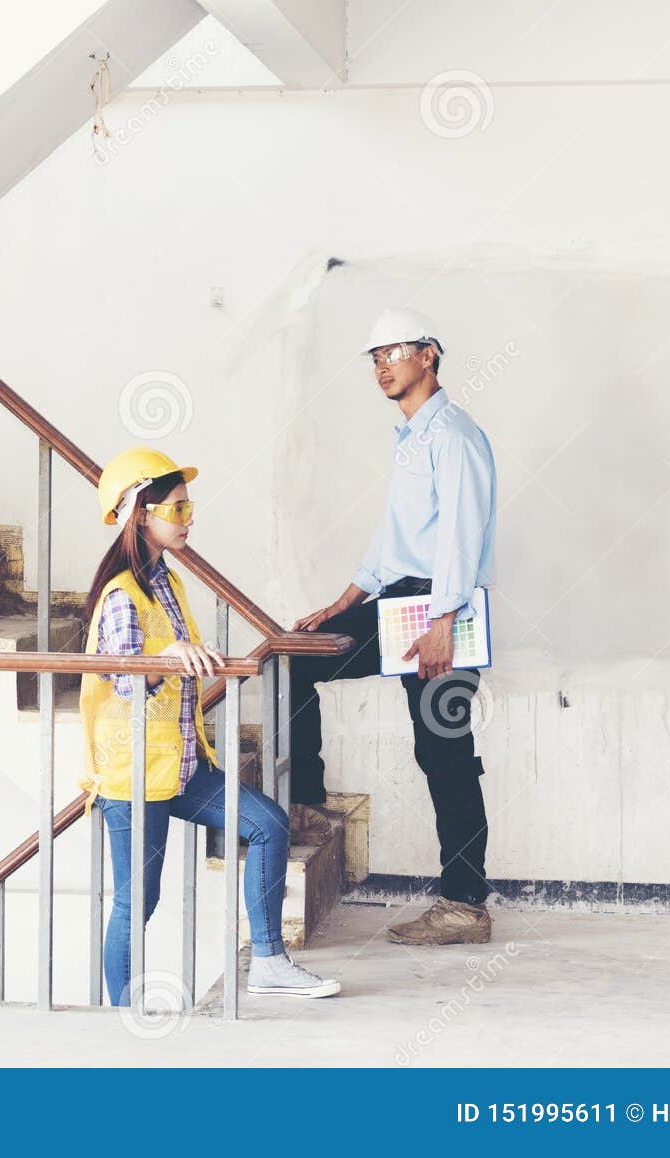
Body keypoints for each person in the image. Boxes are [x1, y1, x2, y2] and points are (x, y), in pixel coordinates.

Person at [79, 446, 341, 1003]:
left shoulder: (165, 582)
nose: (188, 516)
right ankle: (124, 1010)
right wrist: (166, 657)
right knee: (137, 900)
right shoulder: (122, 595)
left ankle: (268, 961)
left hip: (181, 766)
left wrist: (192, 654)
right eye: (176, 508)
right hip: (134, 778)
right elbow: (125, 683)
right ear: (139, 514)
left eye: (187, 505)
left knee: (267, 823)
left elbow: (175, 656)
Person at [291, 308, 497, 946]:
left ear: (429, 355)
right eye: (374, 355)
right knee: (299, 659)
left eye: (394, 352)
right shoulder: (409, 438)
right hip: (399, 603)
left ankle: (464, 905)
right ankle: (307, 806)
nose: (382, 364)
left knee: (446, 754)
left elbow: (461, 533)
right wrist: (343, 599)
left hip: (443, 613)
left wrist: (443, 619)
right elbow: (394, 540)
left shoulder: (453, 435)